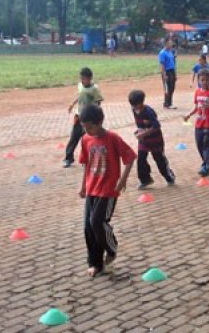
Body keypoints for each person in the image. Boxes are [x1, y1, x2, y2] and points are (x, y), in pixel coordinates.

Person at [78, 104, 136, 277]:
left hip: (108, 190)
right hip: (92, 188)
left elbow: (130, 157)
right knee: (88, 226)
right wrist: (83, 186)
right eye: (84, 127)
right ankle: (95, 263)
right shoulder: (86, 139)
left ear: (100, 122)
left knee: (97, 222)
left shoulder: (112, 138)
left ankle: (111, 248)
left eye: (90, 127)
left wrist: (123, 180)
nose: (87, 130)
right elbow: (86, 163)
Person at [128, 90, 175, 189]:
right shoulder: (134, 110)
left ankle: (169, 176)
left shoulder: (148, 111)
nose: (133, 107)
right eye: (132, 105)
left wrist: (145, 133)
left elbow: (157, 125)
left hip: (155, 140)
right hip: (144, 140)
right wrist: (139, 131)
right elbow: (140, 124)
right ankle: (145, 179)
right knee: (141, 159)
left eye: (135, 105)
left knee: (159, 159)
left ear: (141, 102)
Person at [183, 68, 209, 177]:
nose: (204, 82)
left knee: (208, 145)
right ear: (199, 80)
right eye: (202, 80)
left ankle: (206, 166)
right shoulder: (197, 92)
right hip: (199, 123)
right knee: (200, 145)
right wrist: (189, 114)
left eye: (207, 80)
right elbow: (197, 106)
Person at [64, 67, 104, 168]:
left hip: (88, 118)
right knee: (74, 137)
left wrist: (95, 116)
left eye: (85, 78)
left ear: (90, 79)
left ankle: (86, 159)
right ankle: (68, 158)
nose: (82, 80)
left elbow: (98, 101)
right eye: (81, 78)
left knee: (87, 139)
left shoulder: (94, 89)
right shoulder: (80, 85)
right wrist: (72, 104)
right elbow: (79, 95)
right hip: (79, 115)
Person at [159, 39, 177, 109]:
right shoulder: (162, 53)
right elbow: (162, 65)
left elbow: (173, 63)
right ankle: (167, 103)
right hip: (167, 71)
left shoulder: (170, 52)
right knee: (167, 88)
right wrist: (164, 75)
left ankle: (170, 102)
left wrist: (175, 73)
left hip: (172, 71)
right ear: (166, 44)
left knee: (172, 87)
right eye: (170, 43)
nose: (171, 44)